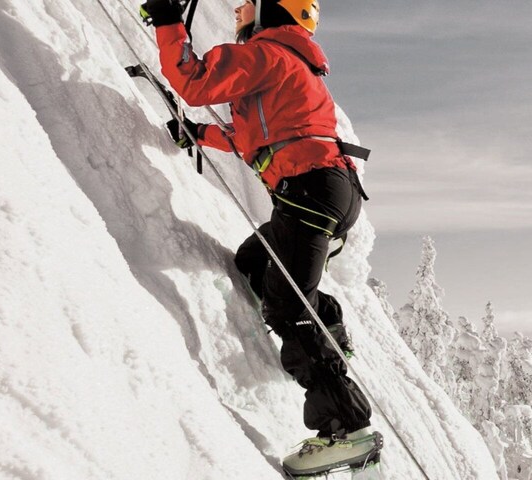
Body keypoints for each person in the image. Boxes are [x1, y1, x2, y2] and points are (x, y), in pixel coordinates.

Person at [139, 0, 378, 473]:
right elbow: (259, 138)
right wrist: (199, 133)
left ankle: (347, 429)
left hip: (308, 189)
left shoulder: (268, 54)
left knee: (288, 304)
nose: (238, 10)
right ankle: (327, 330)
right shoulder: (290, 62)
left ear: (272, 9)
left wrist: (167, 19)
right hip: (327, 189)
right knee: (256, 261)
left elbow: (195, 81)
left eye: (248, 4)